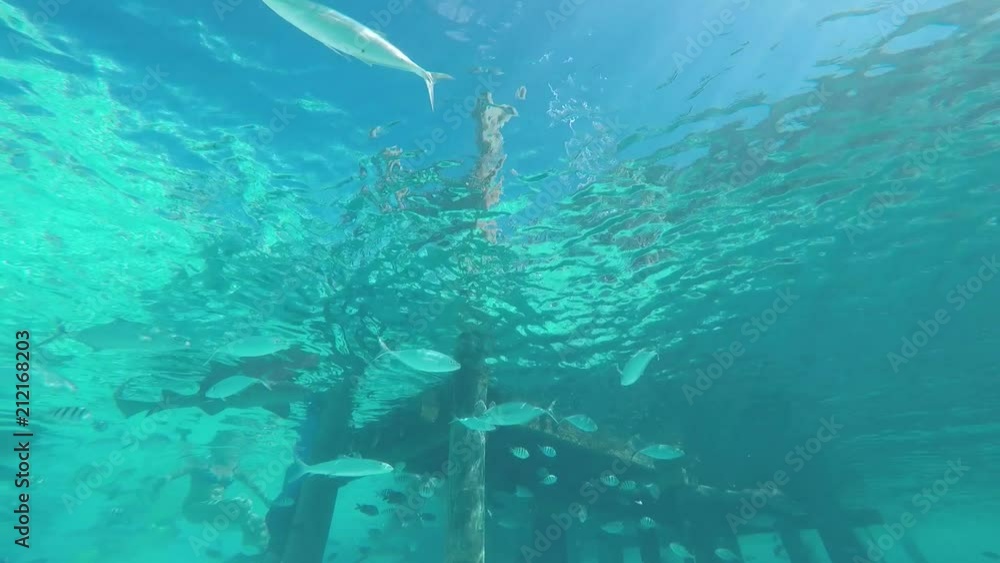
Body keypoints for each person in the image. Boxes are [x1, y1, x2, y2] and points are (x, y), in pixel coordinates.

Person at [154, 439, 270, 551]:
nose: (233, 454)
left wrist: (266, 500)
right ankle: (249, 542)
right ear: (218, 449)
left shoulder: (234, 469)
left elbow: (253, 486)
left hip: (216, 517)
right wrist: (160, 483)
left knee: (257, 520)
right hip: (194, 510)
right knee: (242, 505)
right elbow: (175, 474)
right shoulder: (200, 464)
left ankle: (253, 552)